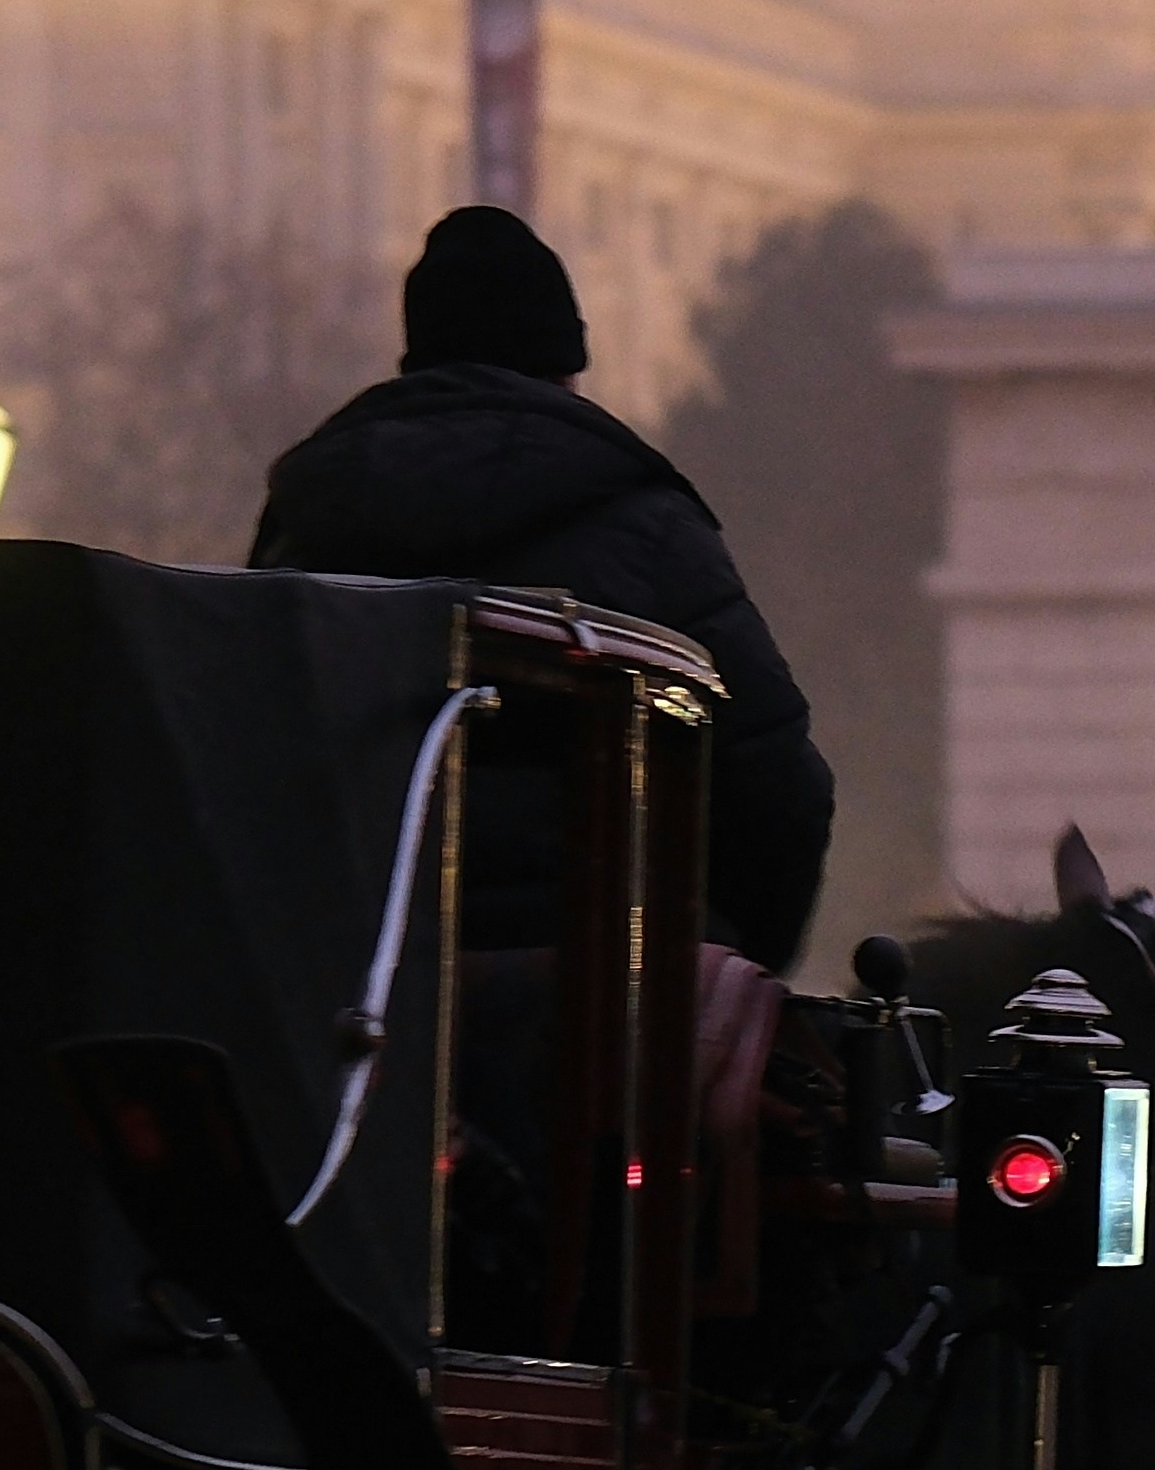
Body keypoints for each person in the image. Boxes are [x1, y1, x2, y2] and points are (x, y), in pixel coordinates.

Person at [251, 205, 832, 966]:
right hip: (603, 1004)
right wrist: (725, 963)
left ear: (419, 359)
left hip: (355, 987)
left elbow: (255, 754)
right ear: (566, 372)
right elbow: (778, 785)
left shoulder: (310, 516)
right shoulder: (646, 523)